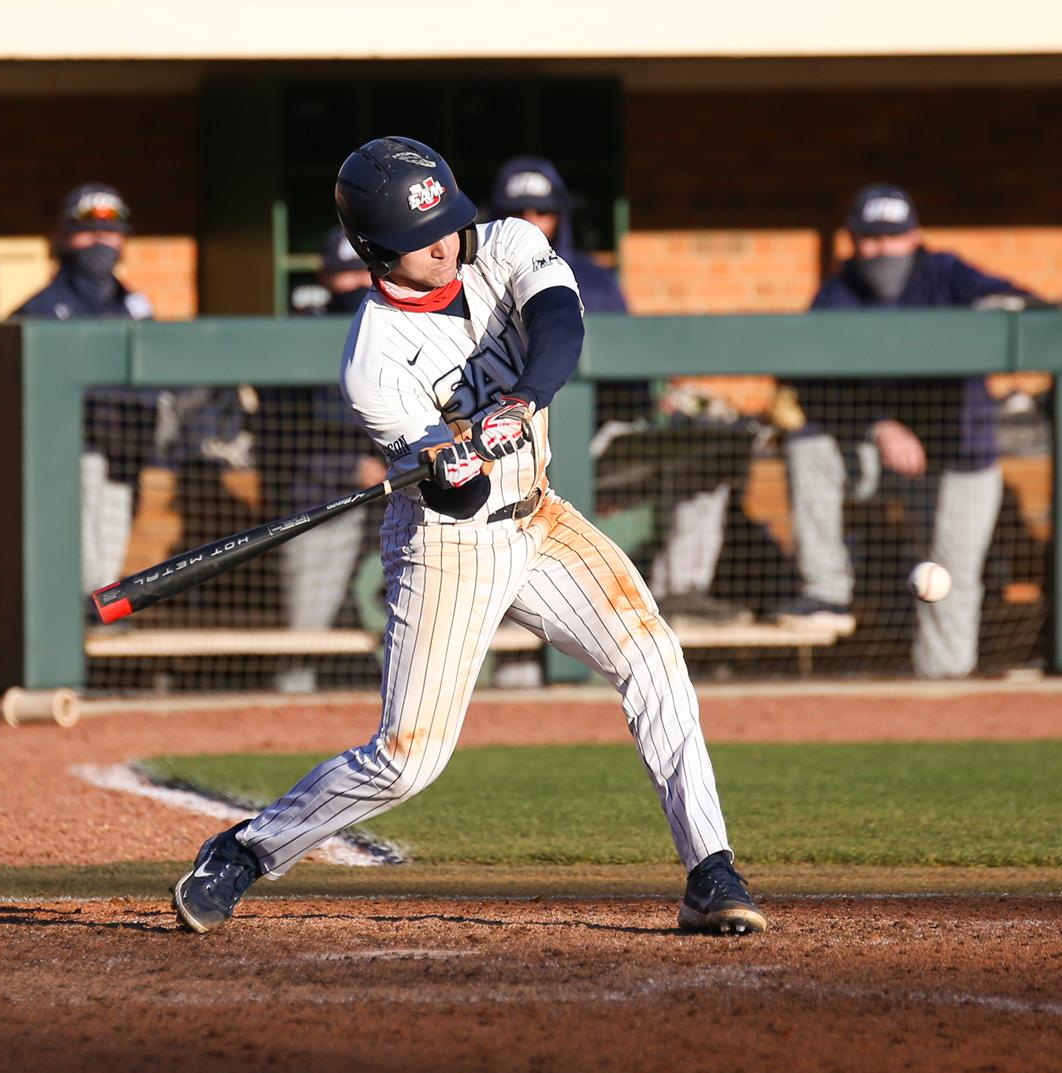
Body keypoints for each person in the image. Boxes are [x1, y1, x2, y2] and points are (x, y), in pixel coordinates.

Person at [172, 137, 766, 936]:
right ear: (376, 250)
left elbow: (559, 327)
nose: (447, 242)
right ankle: (248, 850)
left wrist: (519, 401)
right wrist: (453, 462)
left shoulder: (506, 244)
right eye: (424, 238)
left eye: (449, 221)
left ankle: (710, 871)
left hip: (544, 519)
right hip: (447, 546)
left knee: (654, 657)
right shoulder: (374, 363)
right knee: (407, 760)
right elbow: (461, 499)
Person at [782, 184, 1062, 678]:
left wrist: (1059, 306)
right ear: (852, 240)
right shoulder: (839, 291)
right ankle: (826, 592)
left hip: (960, 454)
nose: (878, 250)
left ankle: (944, 689)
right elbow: (810, 385)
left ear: (914, 237)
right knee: (810, 447)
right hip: (881, 455)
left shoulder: (944, 273)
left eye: (890, 238)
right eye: (867, 239)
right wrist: (879, 427)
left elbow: (1005, 301)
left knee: (948, 575)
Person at [490, 156, 752, 626]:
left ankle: (682, 591)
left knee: (707, 453)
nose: (532, 223)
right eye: (519, 212)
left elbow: (631, 380)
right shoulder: (476, 284)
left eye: (542, 211)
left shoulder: (594, 280)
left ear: (560, 215)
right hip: (510, 453)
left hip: (602, 439)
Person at [12, 183, 156, 593]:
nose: (100, 241)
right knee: (79, 546)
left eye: (110, 231)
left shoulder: (135, 306)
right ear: (63, 237)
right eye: (87, 231)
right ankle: (85, 607)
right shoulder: (39, 310)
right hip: (69, 453)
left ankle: (102, 606)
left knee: (110, 540)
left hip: (125, 449)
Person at [265, 227, 383, 693]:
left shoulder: (396, 321)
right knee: (305, 638)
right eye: (342, 274)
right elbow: (279, 436)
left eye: (361, 272)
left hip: (395, 500)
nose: (353, 283)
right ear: (323, 276)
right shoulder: (299, 331)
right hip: (322, 502)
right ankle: (290, 721)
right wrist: (347, 468)